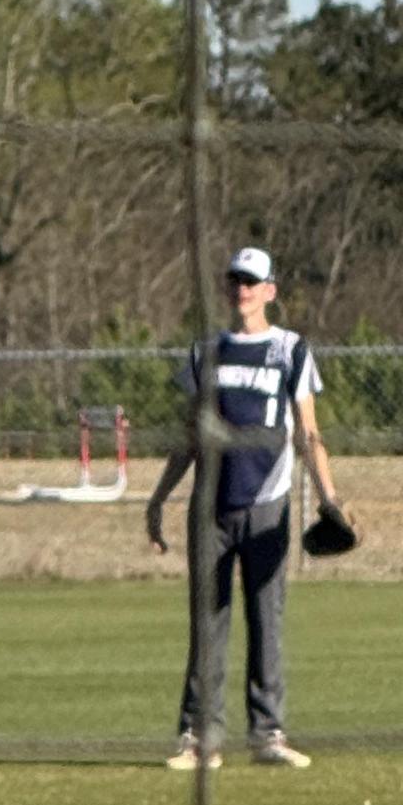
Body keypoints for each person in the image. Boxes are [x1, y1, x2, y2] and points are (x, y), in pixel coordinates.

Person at [145, 244, 341, 771]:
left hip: (268, 504)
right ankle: (198, 737)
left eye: (252, 281)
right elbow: (189, 436)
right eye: (236, 280)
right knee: (207, 622)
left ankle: (267, 735)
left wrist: (329, 499)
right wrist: (159, 497)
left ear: (270, 291)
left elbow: (308, 431)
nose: (242, 290)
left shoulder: (291, 351)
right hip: (210, 507)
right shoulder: (206, 352)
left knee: (266, 620)